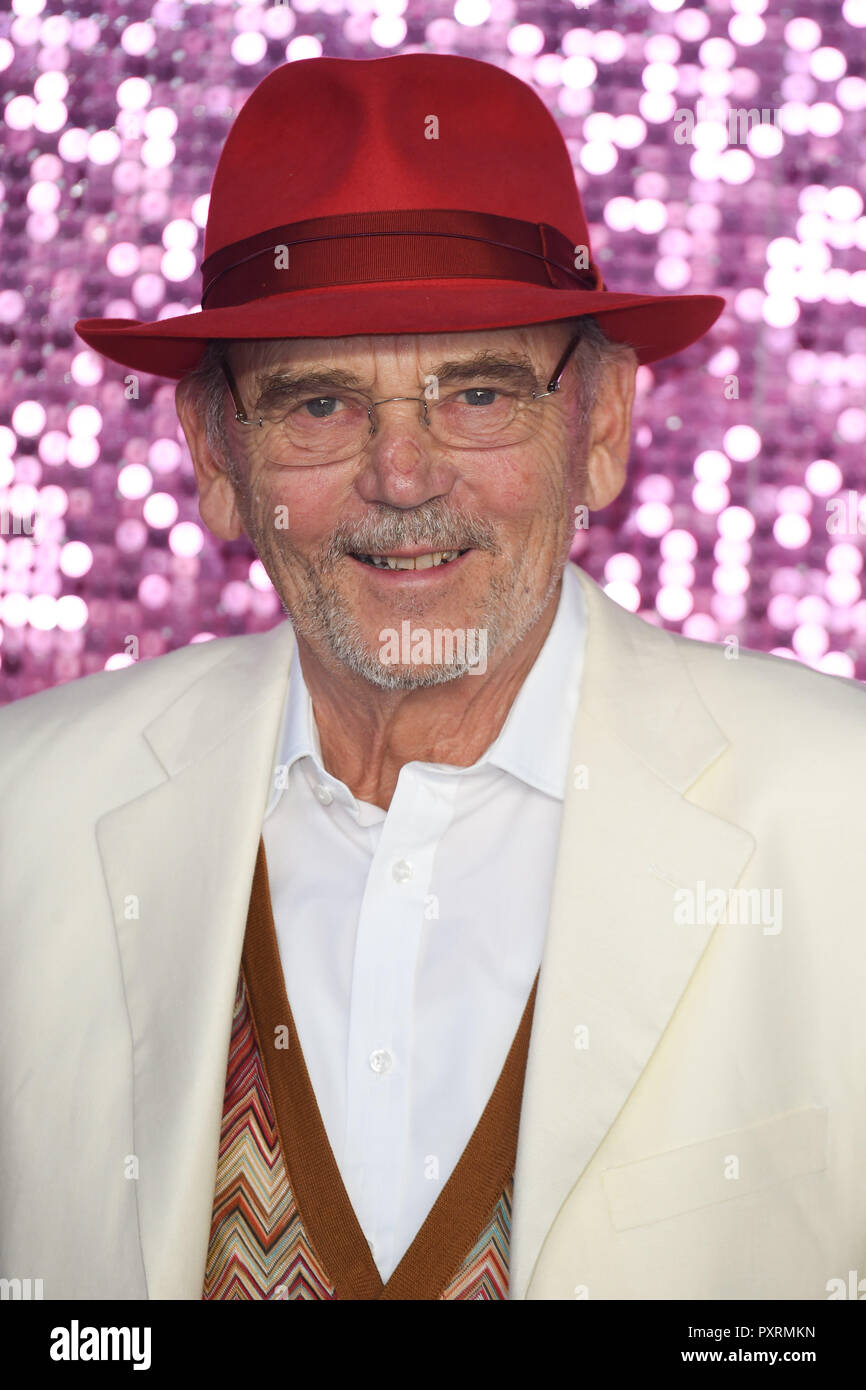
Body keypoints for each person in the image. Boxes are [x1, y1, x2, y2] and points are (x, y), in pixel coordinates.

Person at [2, 52, 864, 1302]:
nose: (402, 478)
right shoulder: (24, 819)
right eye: (317, 407)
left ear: (603, 426)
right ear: (216, 453)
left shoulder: (841, 817)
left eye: (476, 391)